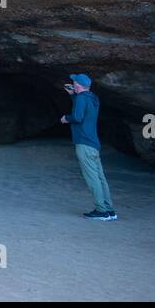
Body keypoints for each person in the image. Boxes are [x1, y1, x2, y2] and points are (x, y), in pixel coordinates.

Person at [61, 74, 116, 220]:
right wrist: (73, 95)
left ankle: (101, 211)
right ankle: (109, 210)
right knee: (100, 177)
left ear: (78, 84)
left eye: (74, 82)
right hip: (93, 142)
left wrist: (66, 118)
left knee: (92, 178)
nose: (72, 83)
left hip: (84, 143)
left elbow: (77, 117)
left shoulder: (81, 98)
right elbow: (84, 110)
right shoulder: (92, 98)